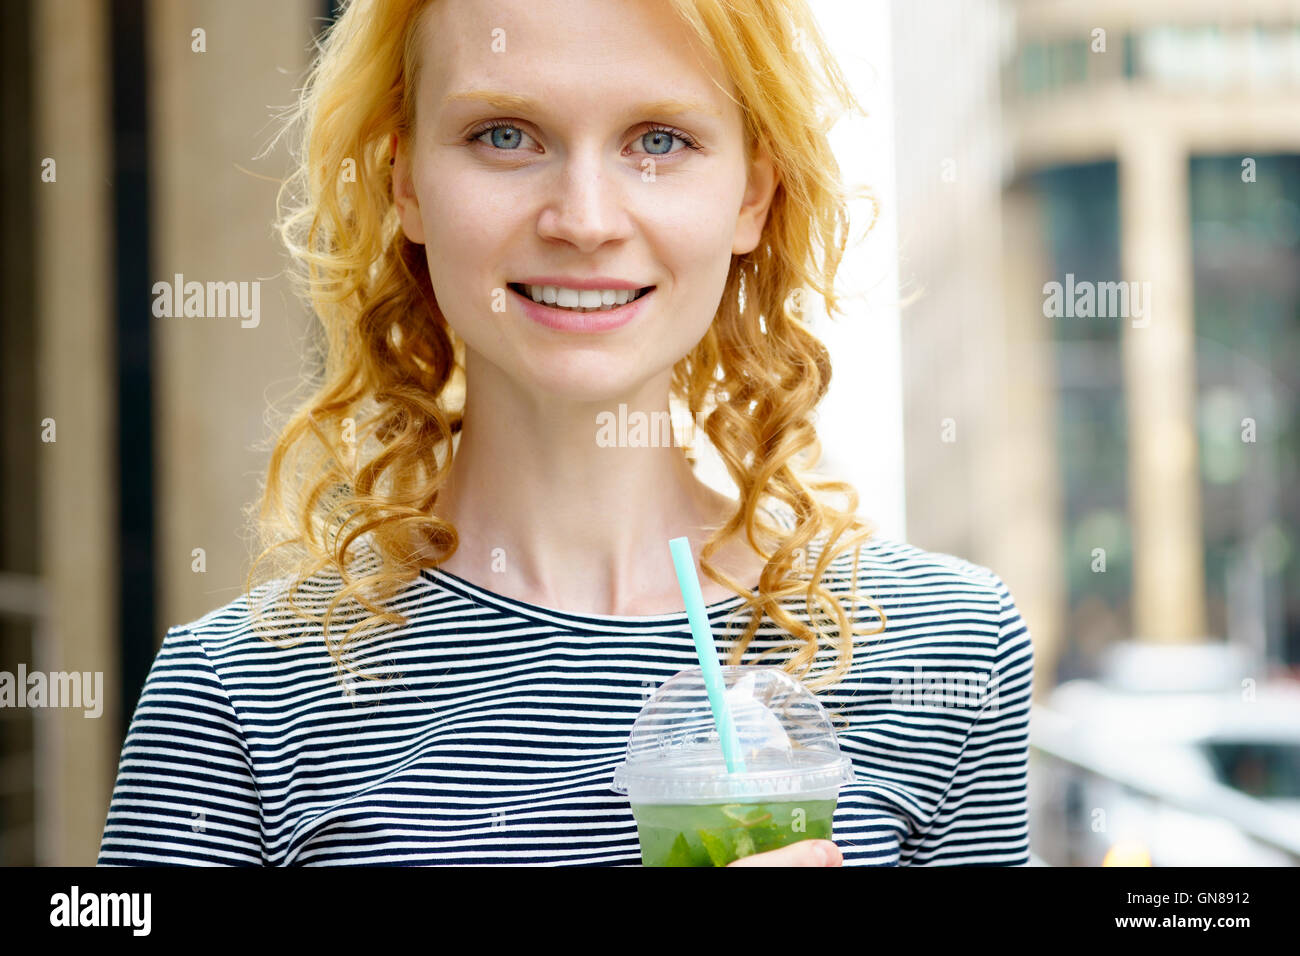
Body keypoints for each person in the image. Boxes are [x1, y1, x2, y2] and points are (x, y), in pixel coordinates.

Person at [97, 0, 1034, 866]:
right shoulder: (236, 695)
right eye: (504, 135)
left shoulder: (945, 649)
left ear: (752, 196)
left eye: (658, 140)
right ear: (406, 182)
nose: (584, 221)